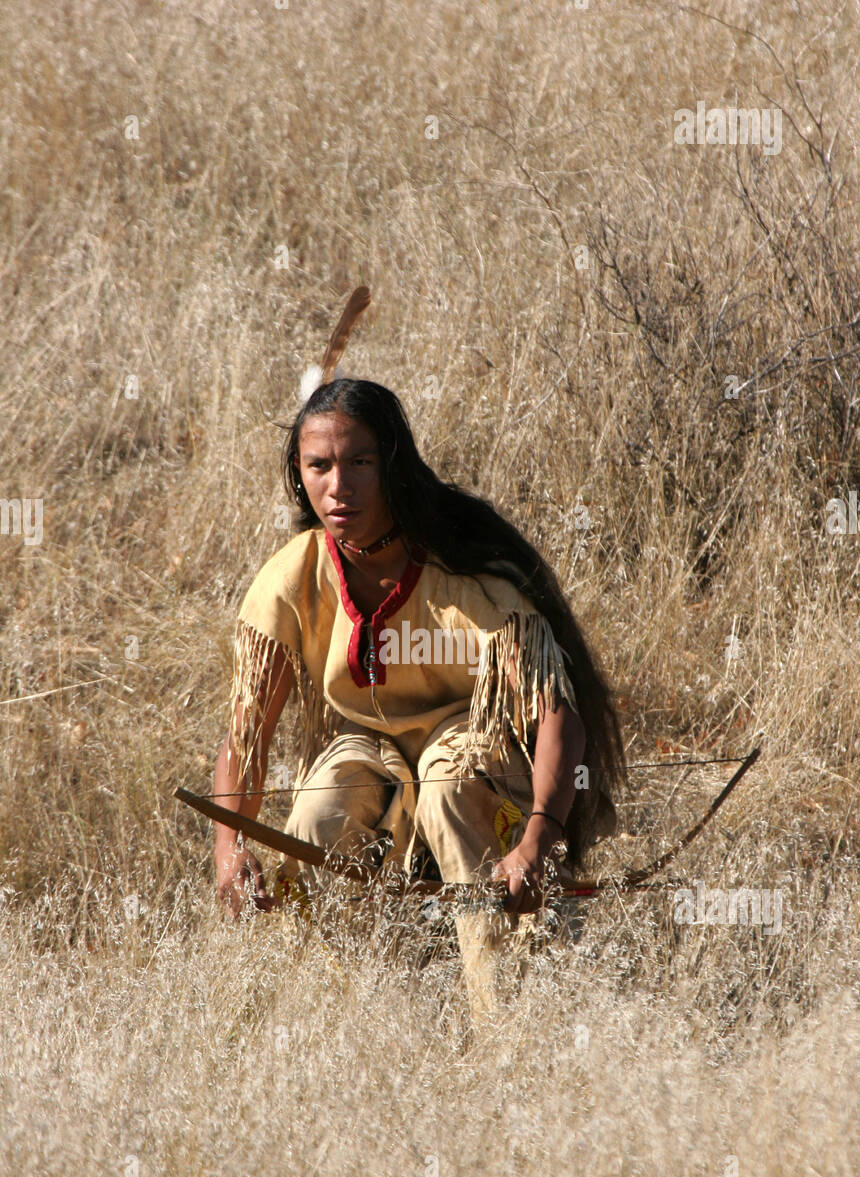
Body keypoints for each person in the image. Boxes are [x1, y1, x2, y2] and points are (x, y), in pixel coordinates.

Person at [213, 377, 623, 1024]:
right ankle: (348, 1019)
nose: (338, 486)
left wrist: (539, 838)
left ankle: (509, 1025)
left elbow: (556, 717)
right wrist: (229, 847)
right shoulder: (292, 575)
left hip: (472, 742)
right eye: (318, 465)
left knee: (450, 784)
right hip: (366, 749)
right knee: (317, 817)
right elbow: (246, 738)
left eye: (360, 463)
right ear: (298, 474)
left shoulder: (461, 571)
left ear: (394, 465)